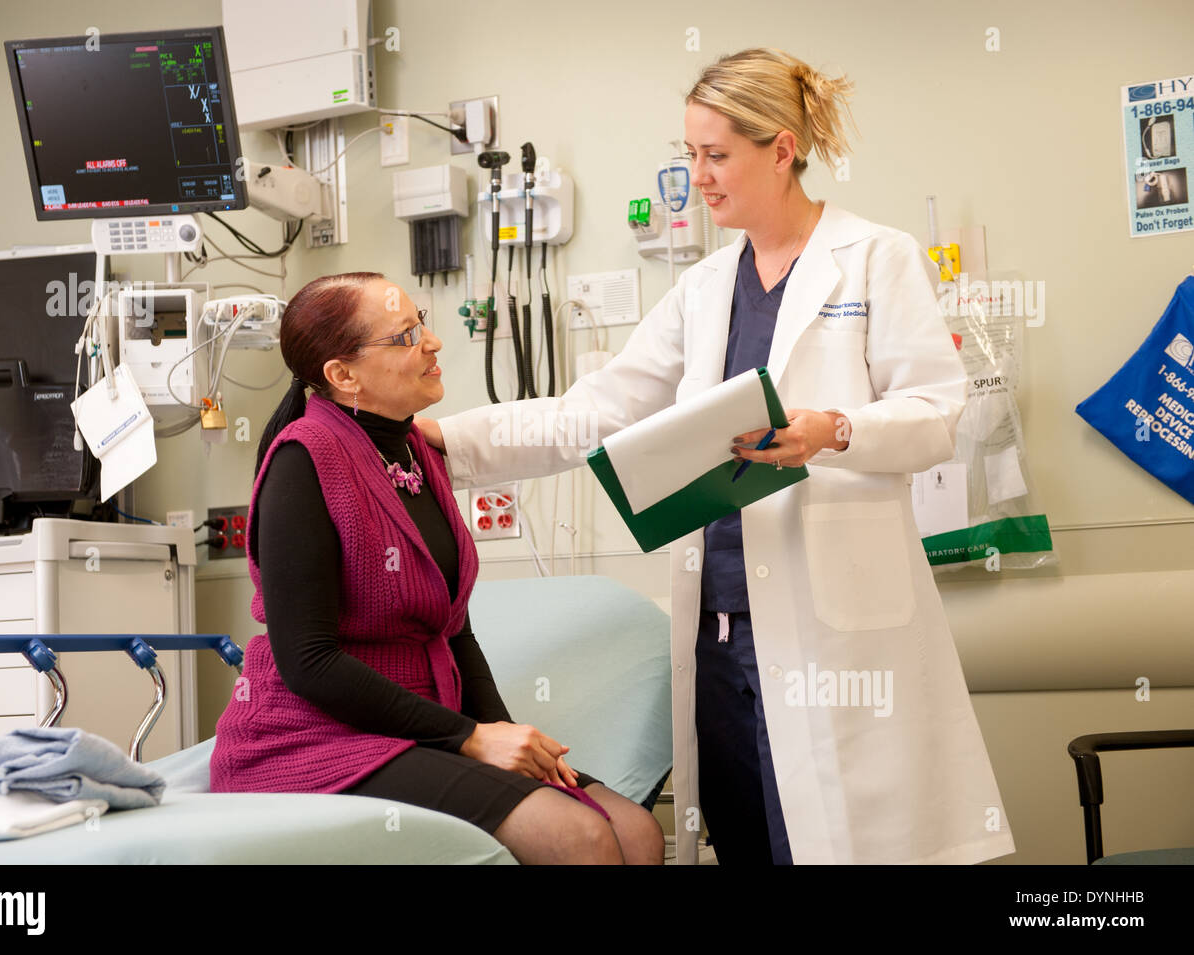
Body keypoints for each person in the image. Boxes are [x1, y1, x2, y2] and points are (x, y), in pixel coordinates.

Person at [418, 48, 1016, 865]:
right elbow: (592, 411)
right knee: (744, 842)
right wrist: (439, 442)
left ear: (780, 148)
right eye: (689, 155)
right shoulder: (703, 290)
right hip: (719, 636)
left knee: (843, 846)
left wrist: (832, 431)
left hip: (833, 632)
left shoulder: (876, 257)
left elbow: (935, 416)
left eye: (716, 155)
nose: (698, 175)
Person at [209, 271, 665, 865]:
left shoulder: (417, 452)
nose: (432, 342)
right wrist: (472, 739)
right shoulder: (303, 462)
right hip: (313, 740)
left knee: (635, 829)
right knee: (577, 836)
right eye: (403, 337)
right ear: (342, 376)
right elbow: (309, 663)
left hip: (420, 728)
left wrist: (509, 739)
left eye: (420, 321)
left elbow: (454, 632)